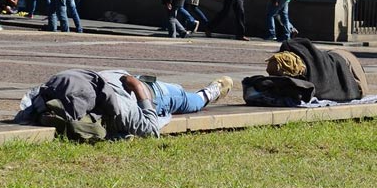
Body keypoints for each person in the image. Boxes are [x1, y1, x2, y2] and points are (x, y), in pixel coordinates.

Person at [15, 69, 233, 142]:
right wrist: (137, 86)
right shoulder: (120, 108)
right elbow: (150, 128)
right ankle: (210, 92)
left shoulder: (62, 84)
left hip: (137, 84)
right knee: (191, 101)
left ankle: (209, 92)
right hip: (153, 95)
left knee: (185, 96)